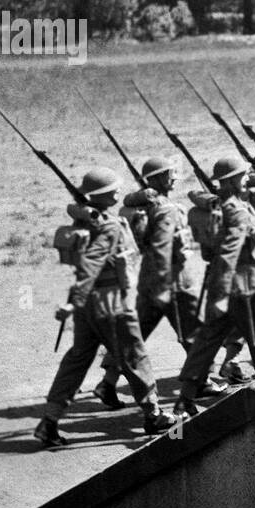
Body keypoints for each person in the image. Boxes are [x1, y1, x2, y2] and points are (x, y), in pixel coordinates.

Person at [36, 167, 175, 446]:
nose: (117, 192)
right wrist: (72, 302)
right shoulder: (108, 226)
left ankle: (49, 421)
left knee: (77, 360)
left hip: (89, 305)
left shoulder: (87, 221)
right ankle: (154, 414)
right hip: (111, 303)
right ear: (103, 195)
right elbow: (92, 263)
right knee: (135, 356)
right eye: (113, 189)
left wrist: (76, 302)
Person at [93, 156, 198, 408]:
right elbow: (163, 248)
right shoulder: (165, 208)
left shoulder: (144, 205)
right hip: (172, 282)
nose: (173, 177)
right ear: (159, 178)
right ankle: (197, 384)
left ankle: (107, 383)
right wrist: (165, 286)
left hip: (148, 280)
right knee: (195, 334)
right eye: (170, 173)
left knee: (134, 336)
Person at [174, 155, 255, 417]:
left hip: (222, 286)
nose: (247, 177)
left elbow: (210, 253)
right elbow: (229, 254)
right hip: (244, 285)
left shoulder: (223, 207)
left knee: (207, 340)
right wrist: (222, 295)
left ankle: (184, 400)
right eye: (243, 175)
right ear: (232, 180)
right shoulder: (236, 211)